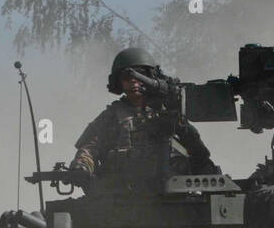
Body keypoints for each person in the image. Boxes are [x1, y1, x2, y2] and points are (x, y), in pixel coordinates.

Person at [68, 47, 219, 190]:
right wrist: (82, 166)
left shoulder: (168, 112)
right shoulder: (112, 115)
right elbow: (90, 147)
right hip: (124, 197)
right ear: (119, 82)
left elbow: (197, 150)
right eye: (127, 78)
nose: (133, 81)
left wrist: (210, 175)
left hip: (174, 194)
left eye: (139, 75)